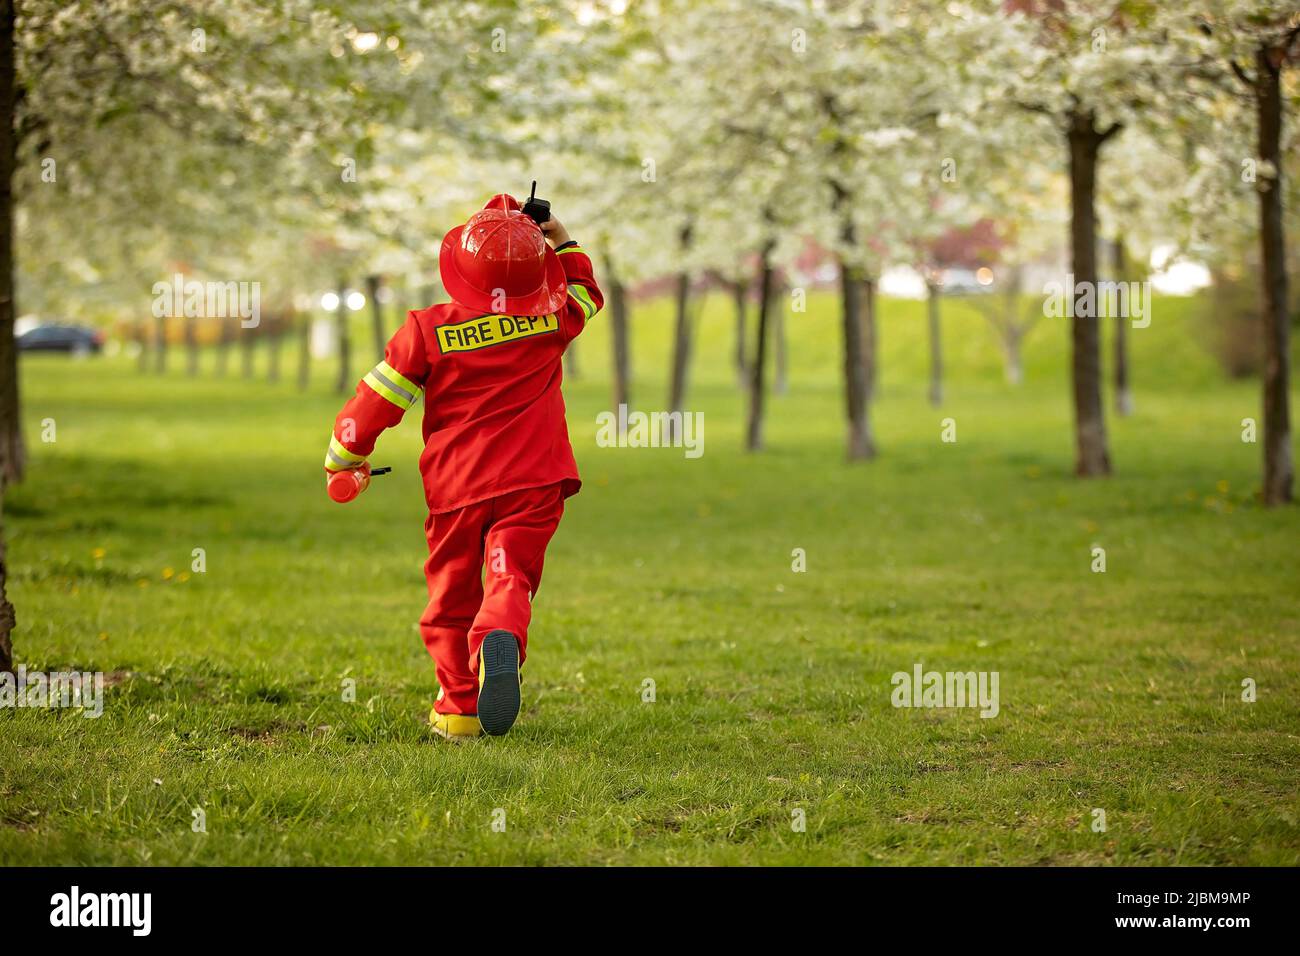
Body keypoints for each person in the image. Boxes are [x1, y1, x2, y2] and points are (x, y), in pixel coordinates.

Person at [323, 193, 603, 740]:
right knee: (510, 572)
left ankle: (458, 709)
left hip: (459, 485)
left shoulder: (427, 331)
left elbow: (374, 404)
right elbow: (587, 295)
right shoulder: (553, 319)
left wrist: (345, 457)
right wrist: (562, 240)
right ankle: (498, 634)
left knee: (451, 593)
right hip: (535, 478)